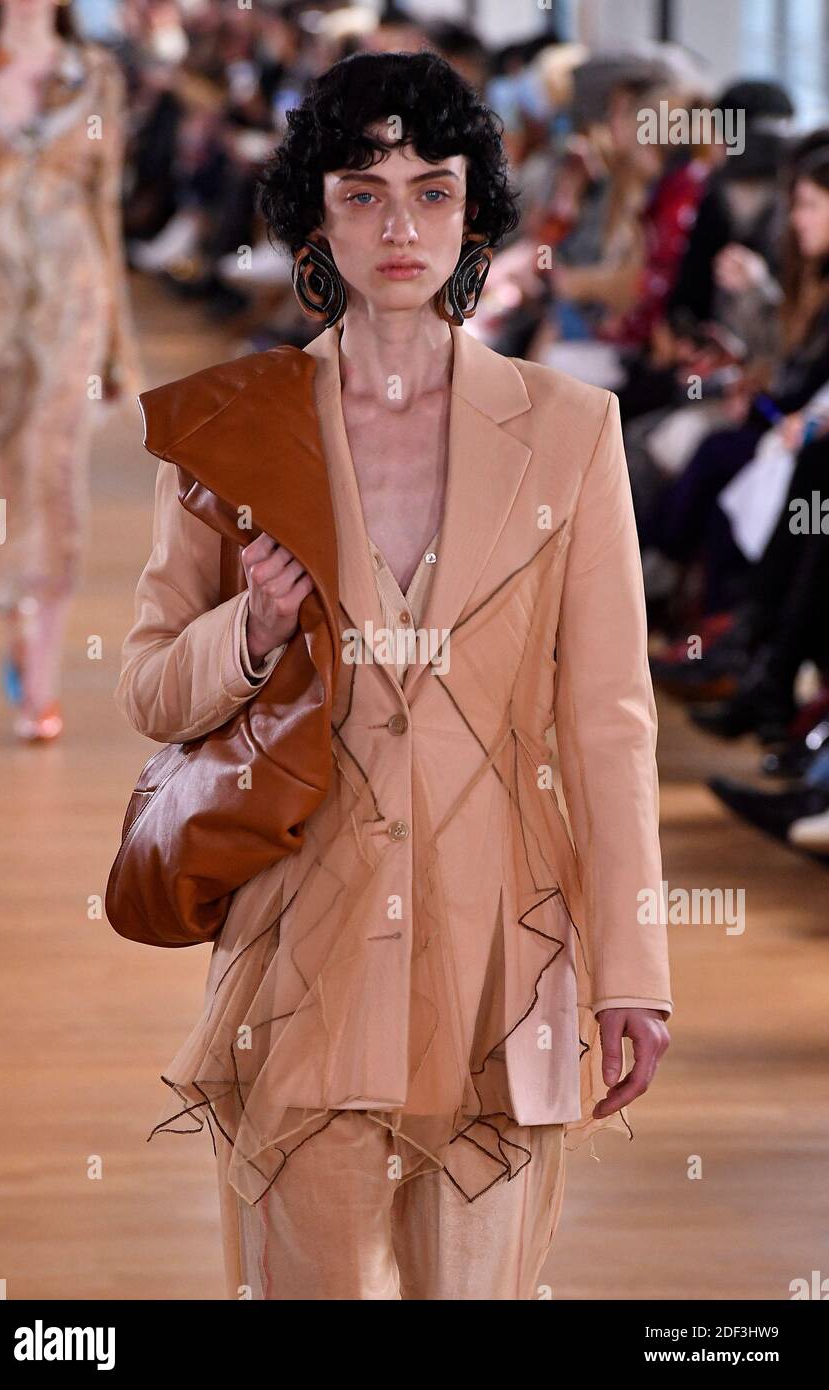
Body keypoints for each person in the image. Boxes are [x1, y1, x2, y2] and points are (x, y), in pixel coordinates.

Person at [115, 51, 672, 1302]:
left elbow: (609, 726)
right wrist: (250, 632)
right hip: (301, 935)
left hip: (507, 948)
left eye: (431, 189)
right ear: (315, 213)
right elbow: (150, 689)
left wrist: (635, 967)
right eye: (362, 191)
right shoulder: (233, 426)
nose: (399, 224)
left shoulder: (571, 430)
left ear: (475, 214)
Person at [0, 0, 139, 741]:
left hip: (74, 287)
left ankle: (42, 675)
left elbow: (105, 205)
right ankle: (17, 606)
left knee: (55, 458)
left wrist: (119, 343)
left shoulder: (95, 76)